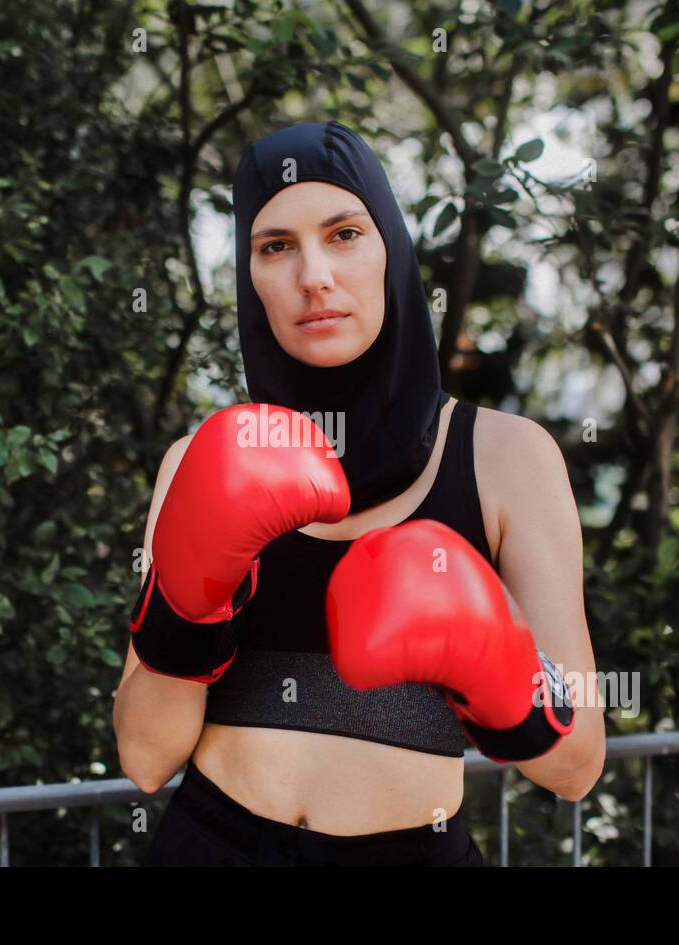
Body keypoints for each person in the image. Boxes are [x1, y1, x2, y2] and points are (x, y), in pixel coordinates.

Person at [114, 120, 604, 866]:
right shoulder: (199, 462)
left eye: (344, 233)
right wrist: (190, 600)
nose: (314, 275)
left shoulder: (506, 458)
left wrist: (499, 667)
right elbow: (147, 757)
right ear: (251, 274)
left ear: (390, 251)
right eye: (275, 245)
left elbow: (576, 770)